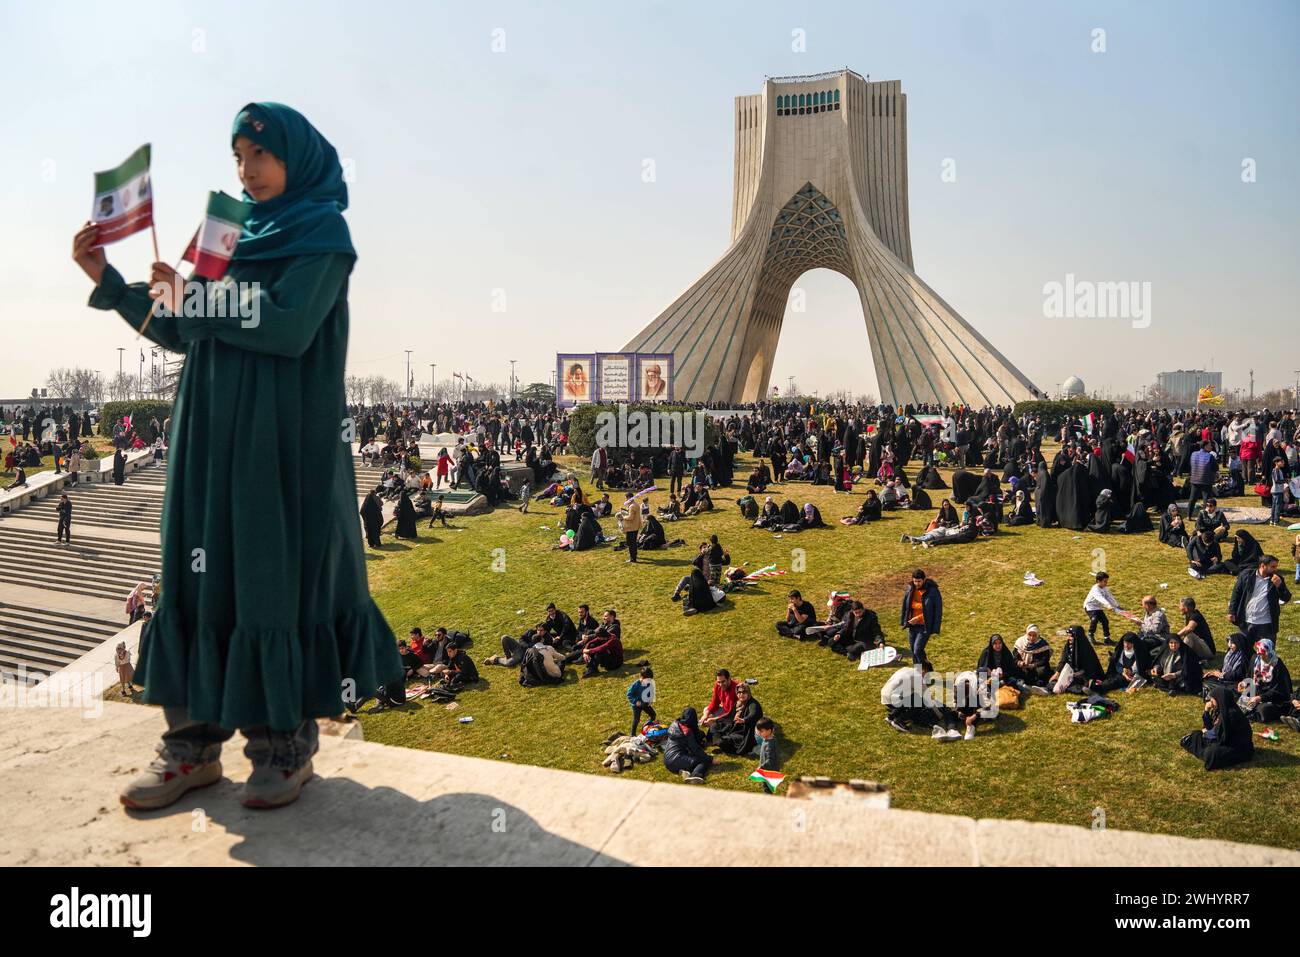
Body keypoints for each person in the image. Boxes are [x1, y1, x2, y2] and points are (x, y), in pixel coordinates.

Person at [76, 103, 403, 810]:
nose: (247, 171)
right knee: (196, 580)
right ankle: (191, 747)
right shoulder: (224, 230)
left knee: (269, 578)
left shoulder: (322, 234)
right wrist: (110, 280)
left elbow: (285, 324)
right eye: (238, 159)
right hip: (207, 437)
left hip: (279, 442)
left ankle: (284, 748)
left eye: (260, 155)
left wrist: (193, 296)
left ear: (298, 159)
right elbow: (182, 327)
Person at [1181, 685, 1255, 771]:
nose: (1211, 701)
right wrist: (1206, 711)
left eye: (1213, 699)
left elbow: (1224, 738)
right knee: (1196, 734)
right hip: (1222, 740)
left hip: (1237, 747)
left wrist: (1207, 734)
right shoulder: (1220, 710)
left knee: (1211, 753)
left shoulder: (1232, 714)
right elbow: (1210, 728)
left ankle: (1201, 750)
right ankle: (1201, 749)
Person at [1227, 554, 1292, 645]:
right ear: (1262, 566)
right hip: (1247, 622)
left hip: (1266, 624)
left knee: (1266, 654)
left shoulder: (1277, 579)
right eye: (1272, 567)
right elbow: (1236, 594)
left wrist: (1280, 586)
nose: (1275, 569)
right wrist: (1231, 611)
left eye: (1276, 566)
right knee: (1244, 651)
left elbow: (1286, 598)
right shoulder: (1246, 575)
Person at [1239, 638, 1293, 723]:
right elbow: (1250, 676)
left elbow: (1280, 690)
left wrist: (1260, 698)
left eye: (1262, 653)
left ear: (1269, 652)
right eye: (1258, 653)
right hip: (1257, 692)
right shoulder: (1255, 659)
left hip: (1273, 699)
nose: (1259, 655)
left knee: (1263, 710)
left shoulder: (1278, 666)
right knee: (1243, 701)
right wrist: (1244, 683)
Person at [899, 569, 941, 667]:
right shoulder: (911, 589)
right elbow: (906, 605)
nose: (916, 584)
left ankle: (927, 668)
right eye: (915, 581)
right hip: (912, 625)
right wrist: (906, 620)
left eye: (919, 581)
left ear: (924, 580)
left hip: (924, 626)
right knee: (913, 651)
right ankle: (919, 675)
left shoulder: (932, 591)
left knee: (918, 650)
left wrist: (918, 618)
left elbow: (934, 611)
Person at [710, 681, 763, 756]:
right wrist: (715, 719)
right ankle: (718, 741)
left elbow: (753, 714)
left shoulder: (753, 704)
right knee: (714, 726)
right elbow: (729, 716)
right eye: (739, 692)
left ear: (748, 693)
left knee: (723, 742)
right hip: (733, 728)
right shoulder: (738, 703)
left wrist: (744, 720)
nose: (741, 695)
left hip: (742, 733)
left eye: (744, 692)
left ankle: (720, 743)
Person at [1048, 625, 1104, 693]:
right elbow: (1063, 660)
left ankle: (1082, 689)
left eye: (1071, 636)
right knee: (1051, 676)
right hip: (1070, 672)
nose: (1069, 638)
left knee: (1071, 683)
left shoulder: (1085, 649)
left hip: (1082, 676)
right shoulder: (1068, 645)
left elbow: (1089, 669)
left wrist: (1073, 675)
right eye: (1068, 636)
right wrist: (1057, 673)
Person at [663, 708, 712, 784]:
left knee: (691, 758)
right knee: (703, 761)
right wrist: (710, 759)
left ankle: (683, 770)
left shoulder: (674, 724)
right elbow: (696, 749)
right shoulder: (687, 731)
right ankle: (695, 775)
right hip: (677, 759)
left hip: (667, 759)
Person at [1204, 632, 1253, 696]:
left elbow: (1238, 675)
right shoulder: (1230, 653)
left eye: (1232, 643)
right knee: (1207, 679)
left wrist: (1222, 675)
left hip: (1236, 682)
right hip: (1225, 678)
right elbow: (1224, 667)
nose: (1229, 645)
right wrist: (1213, 672)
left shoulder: (1244, 657)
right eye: (1229, 642)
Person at [580, 609, 624, 677]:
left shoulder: (613, 639)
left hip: (616, 662)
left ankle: (592, 669)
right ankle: (591, 669)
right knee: (592, 645)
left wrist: (588, 651)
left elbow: (602, 647)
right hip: (610, 656)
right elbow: (591, 642)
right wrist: (585, 651)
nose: (598, 639)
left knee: (599, 652)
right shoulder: (604, 635)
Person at [1083, 571, 1122, 644]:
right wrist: (1109, 606)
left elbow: (1109, 597)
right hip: (1090, 606)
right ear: (1098, 581)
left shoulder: (1105, 588)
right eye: (1105, 581)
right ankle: (1090, 635)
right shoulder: (1095, 589)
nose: (1106, 583)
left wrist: (1117, 605)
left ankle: (1107, 638)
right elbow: (1101, 599)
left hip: (1097, 607)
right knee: (1094, 619)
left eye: (1107, 581)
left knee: (1105, 621)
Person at [1176, 596, 1215, 661]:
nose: (1179, 608)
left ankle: (1180, 659)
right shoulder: (1189, 615)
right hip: (1201, 647)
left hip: (1208, 651)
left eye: (1181, 606)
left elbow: (1189, 628)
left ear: (1186, 608)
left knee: (1189, 635)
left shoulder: (1195, 616)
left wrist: (1174, 637)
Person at [700, 669, 737, 734]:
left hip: (733, 716)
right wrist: (705, 715)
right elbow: (715, 702)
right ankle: (716, 727)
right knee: (706, 710)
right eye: (718, 682)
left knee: (712, 720)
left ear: (729, 679)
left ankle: (718, 729)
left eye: (723, 682)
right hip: (725, 711)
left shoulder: (735, 690)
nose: (720, 684)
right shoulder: (718, 685)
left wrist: (714, 719)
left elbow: (731, 714)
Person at [626, 664, 656, 736]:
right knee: (636, 719)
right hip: (636, 705)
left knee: (653, 714)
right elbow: (629, 694)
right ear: (642, 678)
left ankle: (647, 726)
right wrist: (636, 701)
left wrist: (650, 699)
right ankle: (632, 734)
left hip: (645, 703)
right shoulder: (636, 684)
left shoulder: (649, 683)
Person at [618, 491, 641, 563]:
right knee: (633, 542)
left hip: (631, 527)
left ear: (628, 498)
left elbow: (631, 517)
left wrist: (623, 517)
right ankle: (634, 555)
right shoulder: (635, 504)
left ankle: (633, 558)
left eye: (626, 498)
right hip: (635, 526)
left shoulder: (632, 506)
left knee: (630, 543)